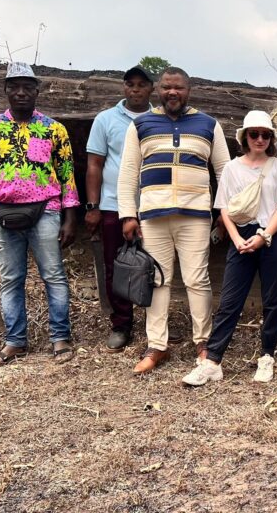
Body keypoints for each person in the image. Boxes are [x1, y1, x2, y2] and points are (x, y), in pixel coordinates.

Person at [117, 66, 231, 375]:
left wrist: (224, 213)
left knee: (197, 279)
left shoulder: (209, 124)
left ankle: (203, 343)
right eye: (167, 87)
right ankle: (157, 346)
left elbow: (224, 171)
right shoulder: (141, 124)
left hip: (195, 216)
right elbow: (128, 173)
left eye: (178, 87)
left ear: (188, 90)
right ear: (158, 90)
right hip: (153, 216)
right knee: (157, 280)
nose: (172, 92)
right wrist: (128, 214)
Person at [0, 62, 79, 365]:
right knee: (10, 279)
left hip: (45, 210)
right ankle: (15, 341)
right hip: (3, 213)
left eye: (27, 87)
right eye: (14, 86)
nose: (21, 92)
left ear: (37, 90)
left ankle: (60, 338)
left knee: (54, 276)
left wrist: (70, 217)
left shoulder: (53, 128)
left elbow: (66, 173)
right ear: (5, 90)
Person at [182, 111, 277, 386]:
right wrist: (235, 239)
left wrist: (265, 236)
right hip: (241, 236)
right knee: (230, 301)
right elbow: (224, 208)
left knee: (272, 300)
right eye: (254, 134)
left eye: (265, 135)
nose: (260, 139)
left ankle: (267, 356)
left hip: (272, 234)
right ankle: (212, 360)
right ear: (244, 136)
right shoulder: (232, 168)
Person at [84, 65, 154, 351]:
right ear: (124, 88)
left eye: (141, 84)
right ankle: (121, 324)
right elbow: (94, 164)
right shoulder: (106, 119)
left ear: (152, 88)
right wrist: (93, 206)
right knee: (116, 266)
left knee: (154, 265)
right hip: (113, 205)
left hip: (152, 204)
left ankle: (155, 324)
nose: (135, 89)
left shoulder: (159, 119)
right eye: (130, 84)